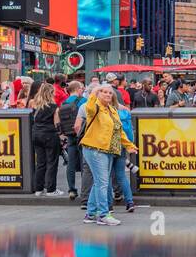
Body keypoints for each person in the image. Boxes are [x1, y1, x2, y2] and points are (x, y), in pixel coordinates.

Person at [75, 84, 135, 226]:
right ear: (97, 94)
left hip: (106, 149)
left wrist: (129, 145)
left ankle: (91, 214)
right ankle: (103, 214)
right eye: (104, 92)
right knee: (102, 182)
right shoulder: (93, 107)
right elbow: (89, 105)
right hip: (95, 148)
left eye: (110, 92)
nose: (108, 94)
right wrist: (95, 90)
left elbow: (119, 131)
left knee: (99, 182)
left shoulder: (112, 110)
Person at [30, 83, 64, 196]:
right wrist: (62, 137)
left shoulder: (33, 104)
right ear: (51, 93)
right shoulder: (54, 107)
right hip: (50, 135)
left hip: (36, 134)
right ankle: (51, 189)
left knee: (40, 162)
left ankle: (38, 189)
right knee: (52, 162)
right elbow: (57, 124)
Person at [59, 81, 86, 200]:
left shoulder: (64, 103)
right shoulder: (83, 101)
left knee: (71, 163)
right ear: (77, 89)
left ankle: (71, 189)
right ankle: (85, 190)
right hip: (82, 135)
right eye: (82, 88)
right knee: (84, 163)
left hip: (70, 135)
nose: (83, 90)